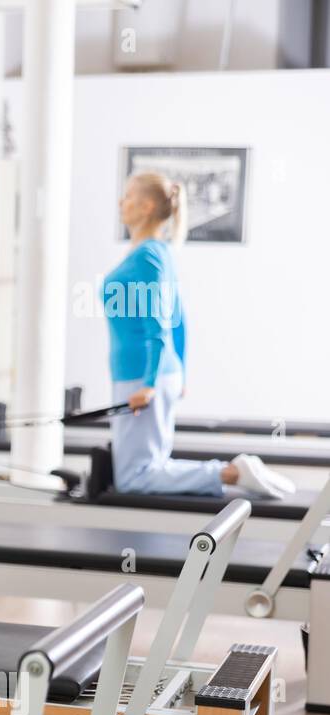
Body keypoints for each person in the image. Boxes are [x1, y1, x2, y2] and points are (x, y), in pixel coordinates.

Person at [104, 171, 292, 499]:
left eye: (129, 197)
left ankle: (231, 473)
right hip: (147, 374)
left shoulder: (149, 256)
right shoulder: (155, 253)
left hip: (141, 376)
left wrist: (150, 384)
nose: (122, 203)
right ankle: (233, 471)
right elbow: (179, 320)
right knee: (145, 468)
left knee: (137, 476)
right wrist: (177, 375)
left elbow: (161, 325)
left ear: (147, 206)